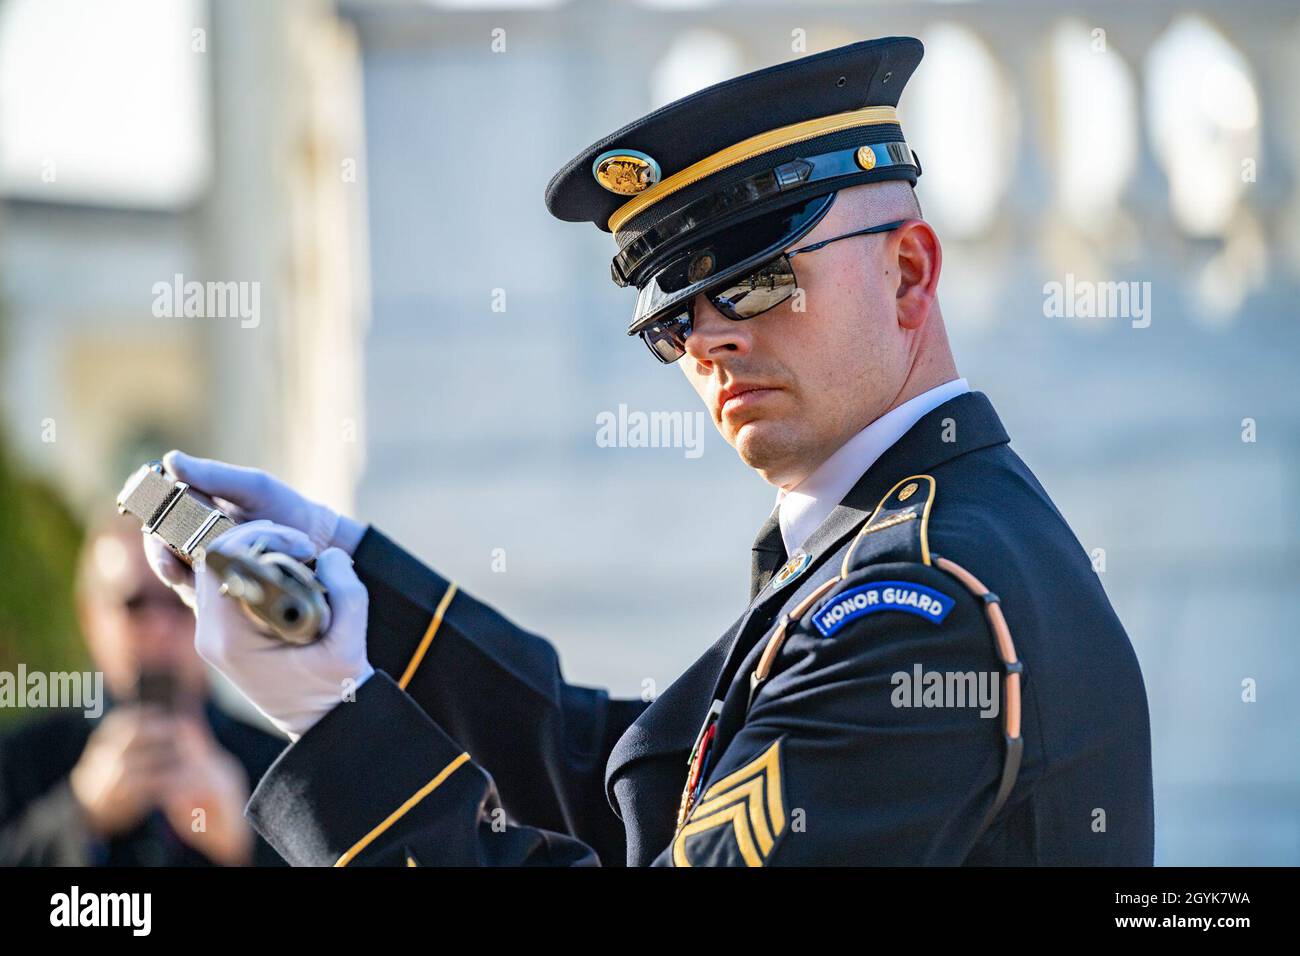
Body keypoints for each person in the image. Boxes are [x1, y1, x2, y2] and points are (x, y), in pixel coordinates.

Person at [142, 36, 1154, 866]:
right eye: (673, 320)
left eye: (757, 283)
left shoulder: (915, 603)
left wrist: (339, 728)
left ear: (906, 273)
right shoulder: (876, 543)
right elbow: (624, 780)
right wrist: (343, 565)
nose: (710, 337)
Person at [0, 515, 285, 866]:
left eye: (182, 601)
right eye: (135, 603)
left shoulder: (281, 773)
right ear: (89, 617)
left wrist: (247, 846)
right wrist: (80, 818)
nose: (160, 628)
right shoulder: (19, 762)